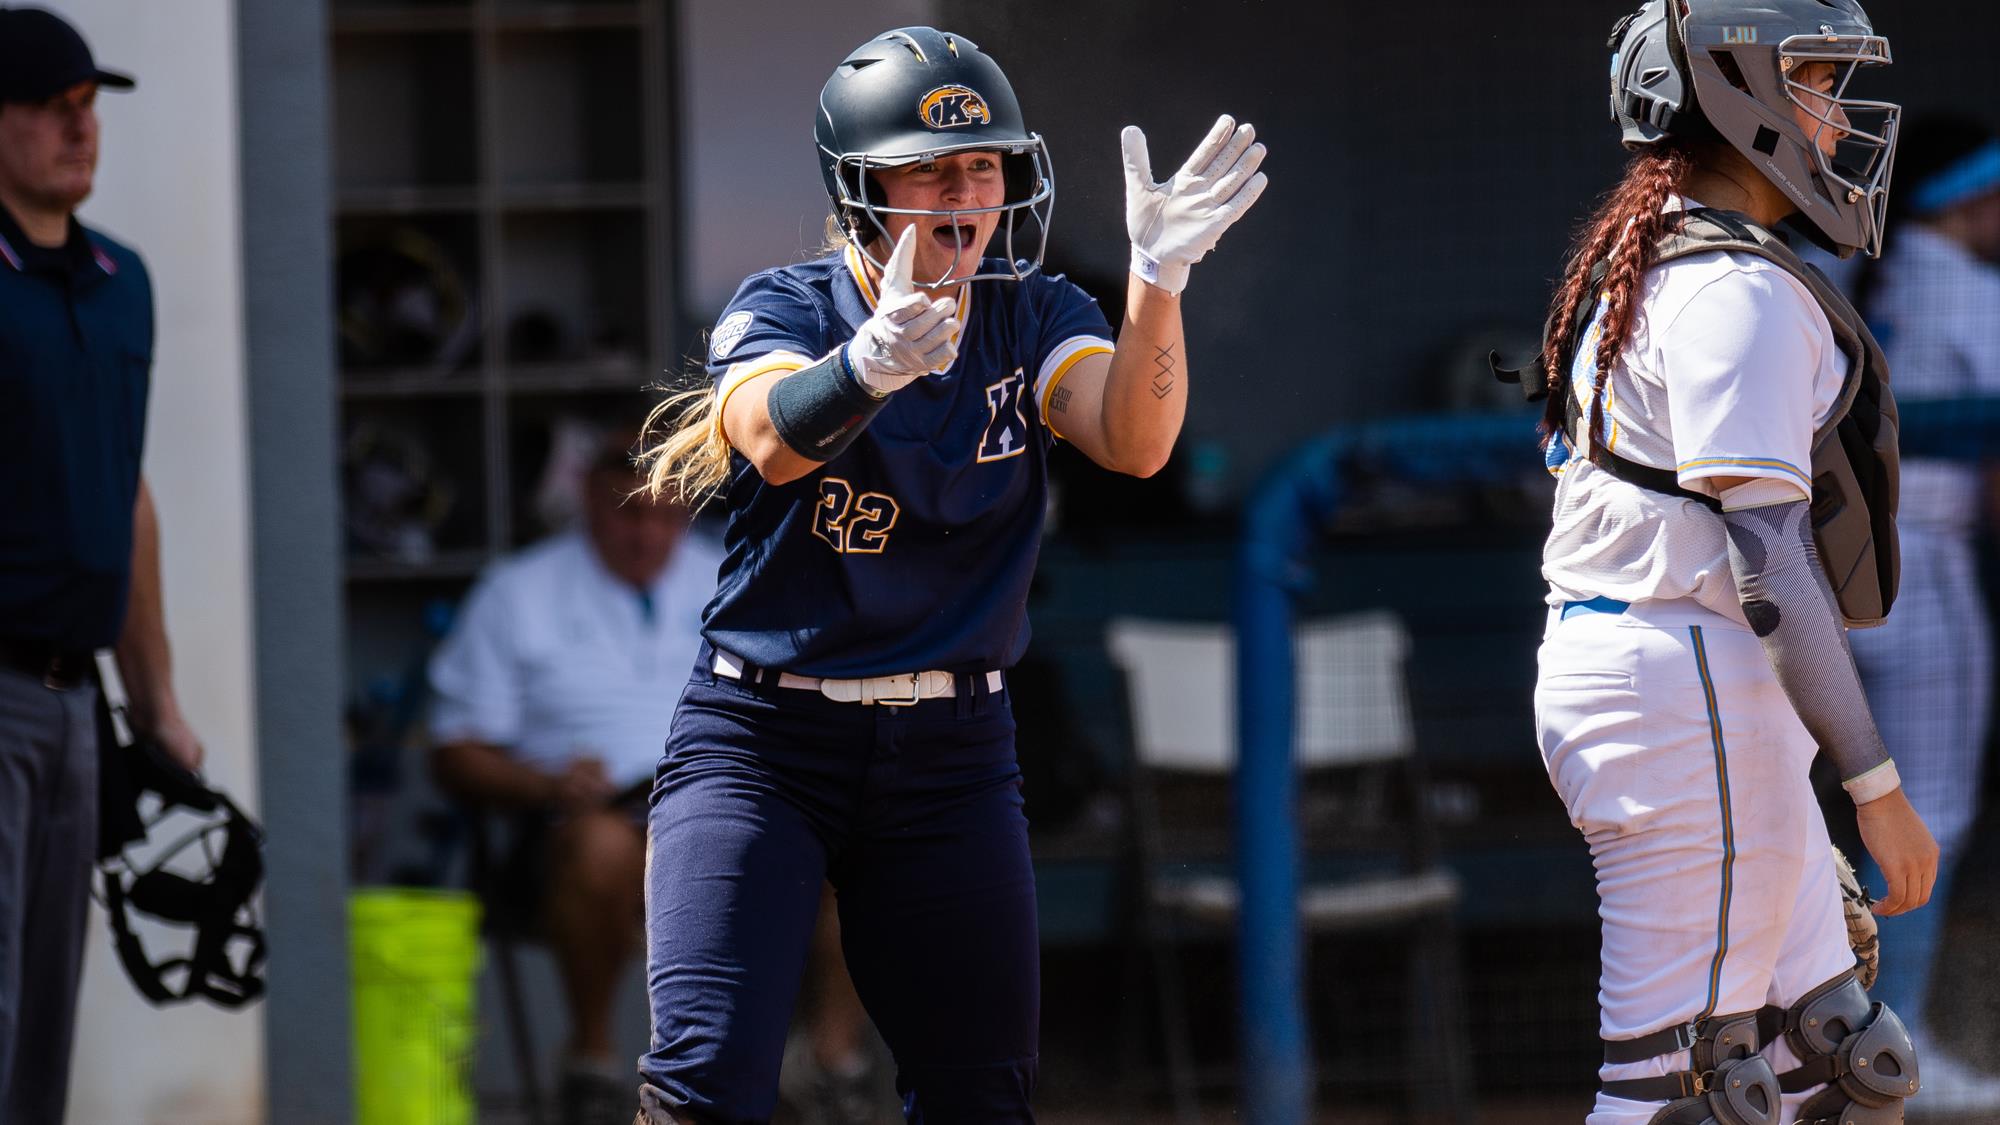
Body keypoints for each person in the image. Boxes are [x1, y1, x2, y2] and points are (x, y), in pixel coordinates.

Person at [631, 25, 1266, 1124]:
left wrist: (1156, 283)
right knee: (702, 1092)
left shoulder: (1031, 310)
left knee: (980, 1098)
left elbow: (1134, 441)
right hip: (763, 740)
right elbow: (768, 436)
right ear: (862, 189)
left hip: (949, 747)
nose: (965, 193)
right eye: (929, 167)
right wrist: (864, 370)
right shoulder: (786, 303)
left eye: (983, 166)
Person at [1530, 2, 1940, 1124]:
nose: (1836, 113)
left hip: (1677, 680)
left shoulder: (1669, 255)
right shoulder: (1730, 291)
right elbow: (1768, 566)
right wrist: (1875, 788)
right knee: (1682, 1091)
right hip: (1680, 686)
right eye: (1810, 80)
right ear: (1738, 93)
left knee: (1838, 1070)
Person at [0, 7, 204, 1123]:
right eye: (50, 109)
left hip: (75, 699)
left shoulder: (120, 278)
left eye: (91, 109)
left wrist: (154, 703)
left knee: (42, 1031)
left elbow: (122, 492)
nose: (81, 132)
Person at [427, 435, 726, 1125]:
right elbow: (455, 750)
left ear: (685, 508)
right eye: (627, 512)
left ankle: (827, 1065)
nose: (646, 532)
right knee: (603, 847)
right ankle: (592, 1062)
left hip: (719, 805)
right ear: (589, 501)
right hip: (577, 827)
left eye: (663, 513)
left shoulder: (728, 574)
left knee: (845, 849)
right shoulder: (519, 590)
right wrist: (547, 785)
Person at [1840, 113, 2000, 1116]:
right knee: (1919, 811)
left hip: (1818, 571)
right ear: (1964, 197)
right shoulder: (1962, 284)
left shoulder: (1843, 267)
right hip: (1922, 561)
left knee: (1795, 811)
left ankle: (1821, 1044)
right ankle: (1885, 1047)